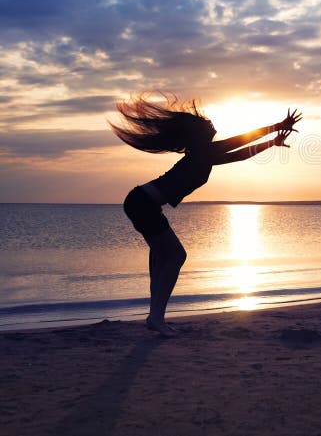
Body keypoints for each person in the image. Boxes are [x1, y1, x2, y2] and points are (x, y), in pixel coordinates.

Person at [110, 94, 302, 337]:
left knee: (163, 259)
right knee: (176, 256)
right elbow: (239, 141)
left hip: (143, 202)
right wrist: (277, 126)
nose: (212, 125)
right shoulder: (203, 153)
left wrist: (272, 143)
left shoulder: (206, 156)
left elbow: (240, 154)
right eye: (207, 125)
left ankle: (154, 316)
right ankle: (155, 317)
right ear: (199, 134)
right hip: (143, 203)